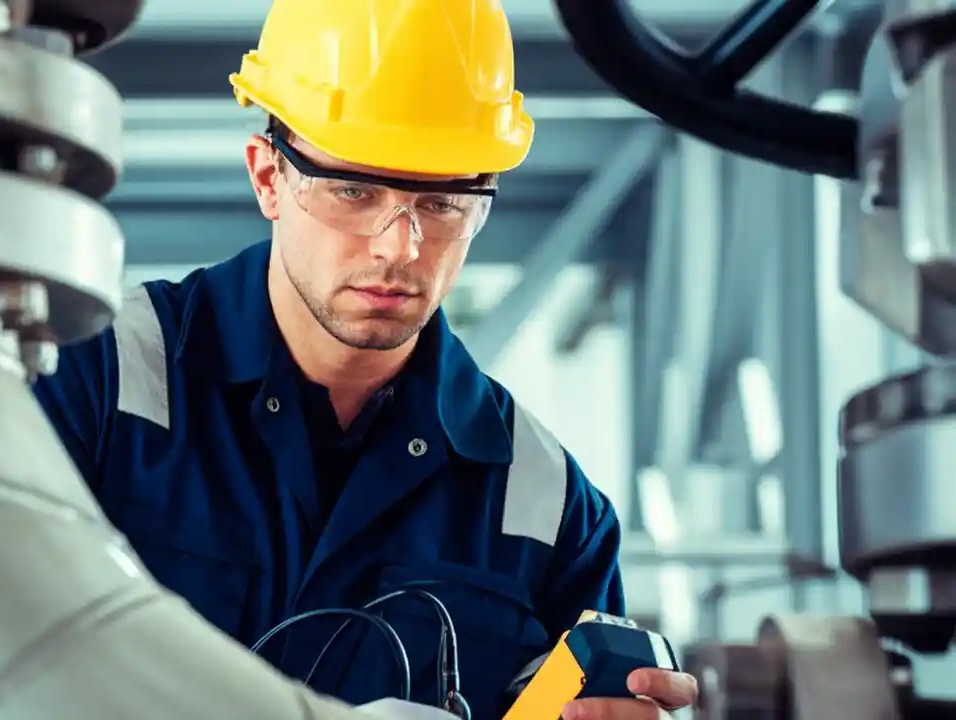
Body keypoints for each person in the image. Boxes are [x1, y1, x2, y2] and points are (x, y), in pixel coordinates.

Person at [34, 1, 698, 718]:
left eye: (443, 203)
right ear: (268, 178)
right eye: (354, 191)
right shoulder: (93, 380)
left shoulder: (545, 507)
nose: (398, 248)